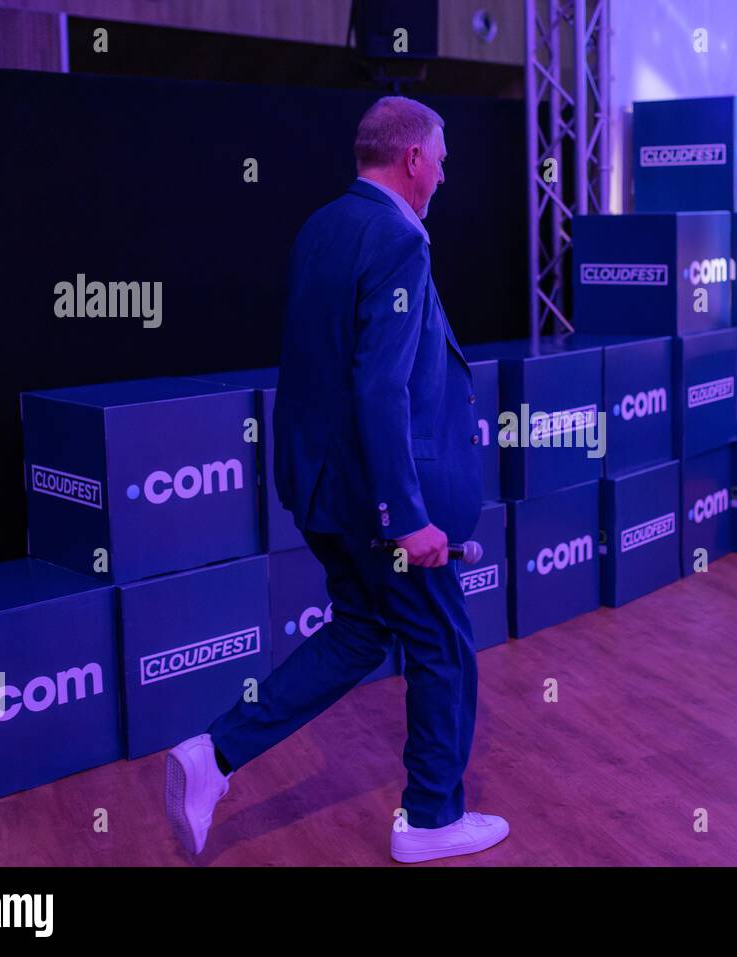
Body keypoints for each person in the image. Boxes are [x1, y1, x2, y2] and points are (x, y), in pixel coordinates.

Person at [163, 95, 507, 865]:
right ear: (413, 158)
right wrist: (405, 515)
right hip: (378, 496)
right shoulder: (399, 241)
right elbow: (379, 385)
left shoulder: (322, 226)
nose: (445, 177)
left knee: (360, 631)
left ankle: (212, 756)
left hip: (318, 486)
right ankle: (429, 819)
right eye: (441, 161)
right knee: (445, 647)